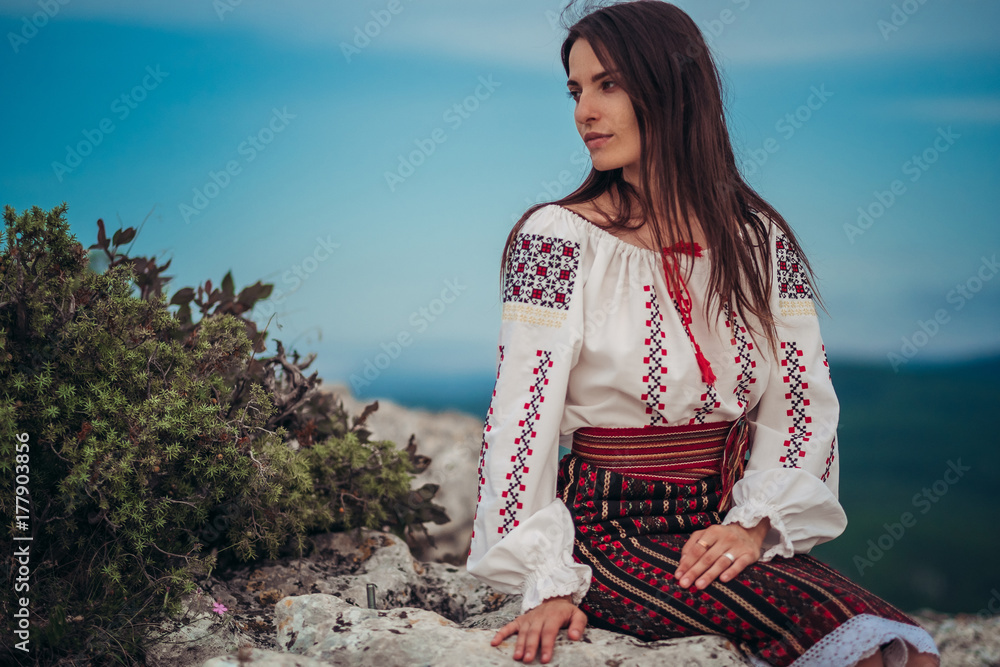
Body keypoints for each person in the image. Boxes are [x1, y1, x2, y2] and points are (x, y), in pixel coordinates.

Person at [465, 2, 942, 666]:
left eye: (608, 84)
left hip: (722, 518)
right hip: (608, 529)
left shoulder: (760, 240)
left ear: (672, 85)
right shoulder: (557, 239)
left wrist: (754, 523)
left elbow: (802, 405)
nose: (584, 112)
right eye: (576, 91)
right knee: (853, 653)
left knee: (908, 651)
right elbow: (520, 419)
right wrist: (543, 580)